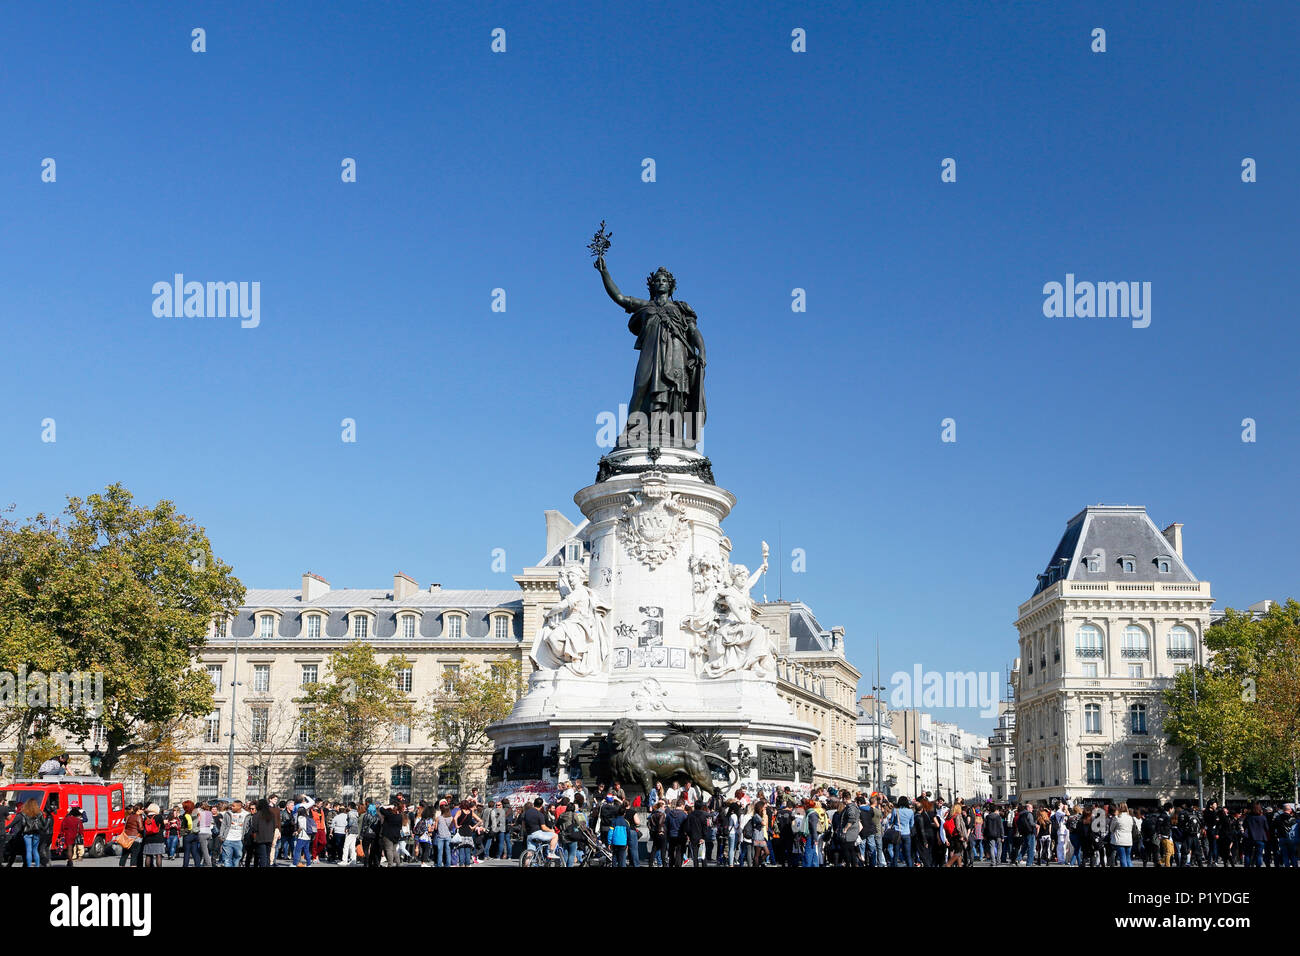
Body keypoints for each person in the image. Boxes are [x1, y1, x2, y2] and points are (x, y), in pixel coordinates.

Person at [522, 797, 560, 862]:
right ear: (541, 805)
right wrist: (551, 830)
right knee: (555, 836)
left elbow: (523, 824)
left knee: (530, 854)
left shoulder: (526, 812)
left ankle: (527, 865)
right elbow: (543, 827)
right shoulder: (540, 815)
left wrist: (526, 831)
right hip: (538, 834)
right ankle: (551, 853)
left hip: (529, 834)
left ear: (534, 803)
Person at [219, 800, 249, 867]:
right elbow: (223, 825)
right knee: (227, 859)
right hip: (227, 839)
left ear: (239, 807)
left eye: (233, 806)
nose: (231, 807)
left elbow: (248, 826)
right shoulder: (228, 814)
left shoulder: (246, 815)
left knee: (237, 858)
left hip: (239, 840)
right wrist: (221, 836)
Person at [141, 803, 166, 868]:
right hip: (158, 838)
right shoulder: (159, 816)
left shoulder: (146, 817)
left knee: (148, 856)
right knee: (158, 855)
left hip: (148, 839)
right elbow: (163, 827)